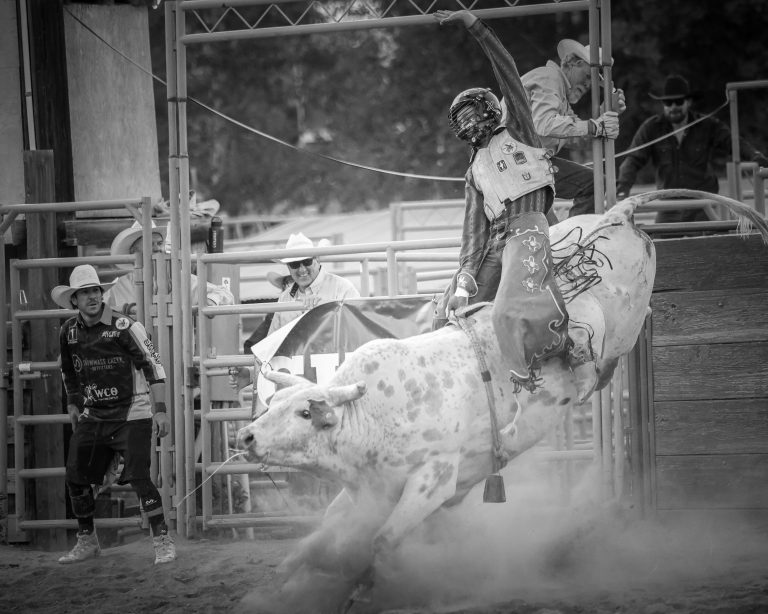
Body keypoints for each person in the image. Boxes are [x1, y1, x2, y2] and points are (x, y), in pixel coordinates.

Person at [433, 9, 596, 398]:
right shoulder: (473, 172)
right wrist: (464, 279)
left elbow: (505, 66)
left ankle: (571, 350)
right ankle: (458, 380)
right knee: (447, 309)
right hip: (497, 242)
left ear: (492, 111)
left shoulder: (519, 127)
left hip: (529, 225)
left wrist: (475, 26)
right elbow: (473, 232)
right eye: (464, 121)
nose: (471, 125)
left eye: (475, 116)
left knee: (509, 308)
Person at [51, 265, 176, 565]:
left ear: (101, 293)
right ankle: (87, 539)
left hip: (132, 411)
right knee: (75, 475)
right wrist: (72, 403)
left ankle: (162, 539)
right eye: (85, 293)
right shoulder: (68, 331)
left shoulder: (125, 325)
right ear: (75, 300)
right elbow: (68, 370)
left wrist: (160, 411)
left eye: (95, 290)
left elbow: (154, 365)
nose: (92, 297)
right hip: (94, 413)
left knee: (138, 476)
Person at [617, 74, 768, 223]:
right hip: (669, 207)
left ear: (688, 102)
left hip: (703, 205)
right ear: (663, 105)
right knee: (661, 246)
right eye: (668, 103)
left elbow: (733, 142)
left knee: (714, 245)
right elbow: (633, 159)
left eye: (678, 101)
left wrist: (755, 155)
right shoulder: (651, 128)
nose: (673, 107)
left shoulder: (706, 125)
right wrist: (622, 191)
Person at [229, 233, 360, 390]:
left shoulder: (343, 288)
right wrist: (251, 374)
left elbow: (356, 335)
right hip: (301, 381)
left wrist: (317, 312)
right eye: (295, 264)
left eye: (306, 261)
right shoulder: (285, 298)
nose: (302, 269)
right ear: (288, 268)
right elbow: (273, 348)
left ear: (317, 259)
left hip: (335, 374)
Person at [518, 36, 624, 217]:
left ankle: (573, 240)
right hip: (521, 164)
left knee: (550, 235)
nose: (588, 84)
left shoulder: (559, 96)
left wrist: (603, 114)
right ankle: (578, 241)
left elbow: (576, 139)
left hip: (522, 164)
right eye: (588, 76)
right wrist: (596, 126)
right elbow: (544, 124)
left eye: (593, 81)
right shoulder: (548, 78)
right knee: (594, 183)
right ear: (571, 63)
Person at [104, 220, 234, 317]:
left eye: (160, 243)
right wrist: (127, 309)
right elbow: (99, 311)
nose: (157, 248)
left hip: (177, 351)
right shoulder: (120, 286)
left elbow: (225, 294)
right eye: (150, 244)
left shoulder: (182, 278)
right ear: (134, 253)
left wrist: (210, 301)